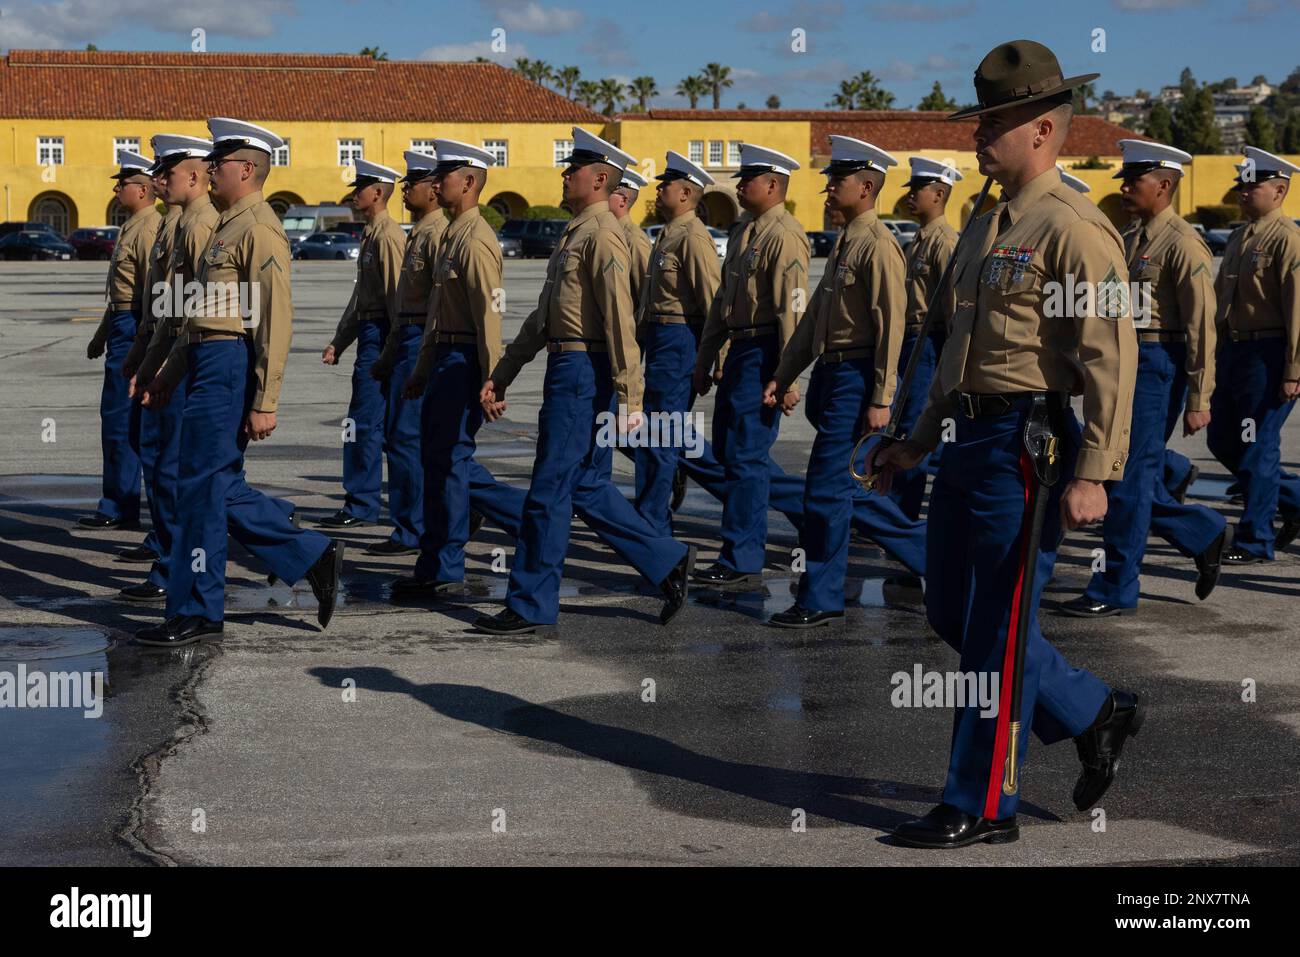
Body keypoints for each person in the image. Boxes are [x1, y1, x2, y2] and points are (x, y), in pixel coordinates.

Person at [871, 40, 1142, 848]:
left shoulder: (1076, 229)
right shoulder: (984, 225)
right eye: (980, 117)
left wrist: (1096, 470)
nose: (978, 133)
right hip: (967, 437)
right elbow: (959, 353)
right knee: (955, 608)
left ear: (1042, 130)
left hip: (1029, 445)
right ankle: (1094, 708)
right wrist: (916, 441)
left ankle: (984, 802)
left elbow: (1110, 357)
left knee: (994, 627)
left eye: (994, 120)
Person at [472, 128, 695, 635]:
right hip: (569, 364)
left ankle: (529, 603)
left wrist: (629, 397)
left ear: (598, 179)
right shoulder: (575, 233)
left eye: (572, 170)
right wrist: (504, 372)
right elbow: (543, 318)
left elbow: (619, 320)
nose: (564, 175)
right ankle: (665, 558)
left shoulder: (602, 236)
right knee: (588, 486)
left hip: (581, 373)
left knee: (548, 491)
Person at [136, 118, 342, 646]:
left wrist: (266, 399)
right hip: (204, 360)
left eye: (218, 163)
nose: (210, 170)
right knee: (212, 486)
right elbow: (194, 317)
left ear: (246, 170)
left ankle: (197, 611)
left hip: (228, 364)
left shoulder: (259, 226)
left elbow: (274, 316)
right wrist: (166, 374)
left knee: (199, 492)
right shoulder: (227, 225)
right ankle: (306, 552)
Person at [1062, 139, 1226, 616]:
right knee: (1127, 473)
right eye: (1126, 178)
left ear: (1166, 185)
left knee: (1127, 479)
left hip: (1159, 365)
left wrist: (1200, 395)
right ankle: (1203, 531)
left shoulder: (1182, 243)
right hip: (1127, 361)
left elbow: (1201, 325)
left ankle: (1116, 586)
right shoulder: (1132, 239)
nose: (1126, 186)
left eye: (1136, 179)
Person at [762, 136, 906, 628]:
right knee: (843, 491)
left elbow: (892, 325)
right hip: (833, 371)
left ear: (866, 187)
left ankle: (821, 597)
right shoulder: (847, 242)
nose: (828, 189)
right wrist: (785, 373)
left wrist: (882, 396)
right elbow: (813, 323)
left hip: (857, 375)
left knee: (825, 491)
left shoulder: (878, 245)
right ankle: (936, 554)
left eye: (837, 181)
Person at [393, 140, 518, 597]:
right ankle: (433, 563)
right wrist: (422, 368)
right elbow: (437, 316)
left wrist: (493, 377)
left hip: (465, 360)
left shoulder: (476, 238)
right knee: (437, 462)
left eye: (444, 175)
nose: (435, 181)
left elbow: (489, 314)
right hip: (445, 358)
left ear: (468, 182)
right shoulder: (450, 233)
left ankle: (446, 569)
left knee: (448, 464)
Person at [690, 144, 811, 588]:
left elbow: (791, 312)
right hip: (741, 351)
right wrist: (705, 360)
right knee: (733, 454)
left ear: (773, 185)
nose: (740, 185)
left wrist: (788, 377)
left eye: (749, 179)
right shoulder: (744, 231)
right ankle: (810, 513)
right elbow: (722, 302)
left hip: (765, 352)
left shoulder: (785, 234)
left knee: (745, 458)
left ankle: (741, 556)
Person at [1208, 146, 1300, 562]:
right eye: (1241, 185)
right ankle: (1293, 502)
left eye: (1253, 186)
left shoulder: (1288, 240)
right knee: (1223, 439)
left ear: (1279, 191)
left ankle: (1255, 538)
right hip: (1234, 352)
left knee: (1256, 447)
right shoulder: (1241, 236)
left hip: (1268, 353)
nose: (1243, 193)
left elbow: (1299, 308)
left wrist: (1293, 369)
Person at [319, 160, 413, 554]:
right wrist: (340, 340)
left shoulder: (388, 236)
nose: (354, 194)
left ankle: (362, 502)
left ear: (377, 193)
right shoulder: (372, 234)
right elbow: (361, 300)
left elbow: (396, 298)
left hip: (383, 336)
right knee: (365, 424)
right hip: (371, 331)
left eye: (360, 188)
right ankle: (362, 499)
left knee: (368, 424)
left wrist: (390, 352)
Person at [80, 150, 161, 531]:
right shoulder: (132, 225)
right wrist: (101, 336)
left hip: (134, 329)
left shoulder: (148, 229)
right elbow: (120, 294)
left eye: (123, 182)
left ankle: (118, 505)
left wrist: (146, 346)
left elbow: (151, 296)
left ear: (143, 189)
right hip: (121, 324)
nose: (117, 187)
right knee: (116, 422)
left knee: (121, 421)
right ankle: (118, 502)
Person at [891, 157, 961, 520]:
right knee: (902, 427)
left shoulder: (944, 241)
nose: (910, 196)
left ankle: (902, 519)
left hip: (929, 343)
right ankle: (896, 511)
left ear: (938, 194)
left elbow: (952, 309)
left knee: (913, 430)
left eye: (916, 190)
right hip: (911, 344)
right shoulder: (918, 240)